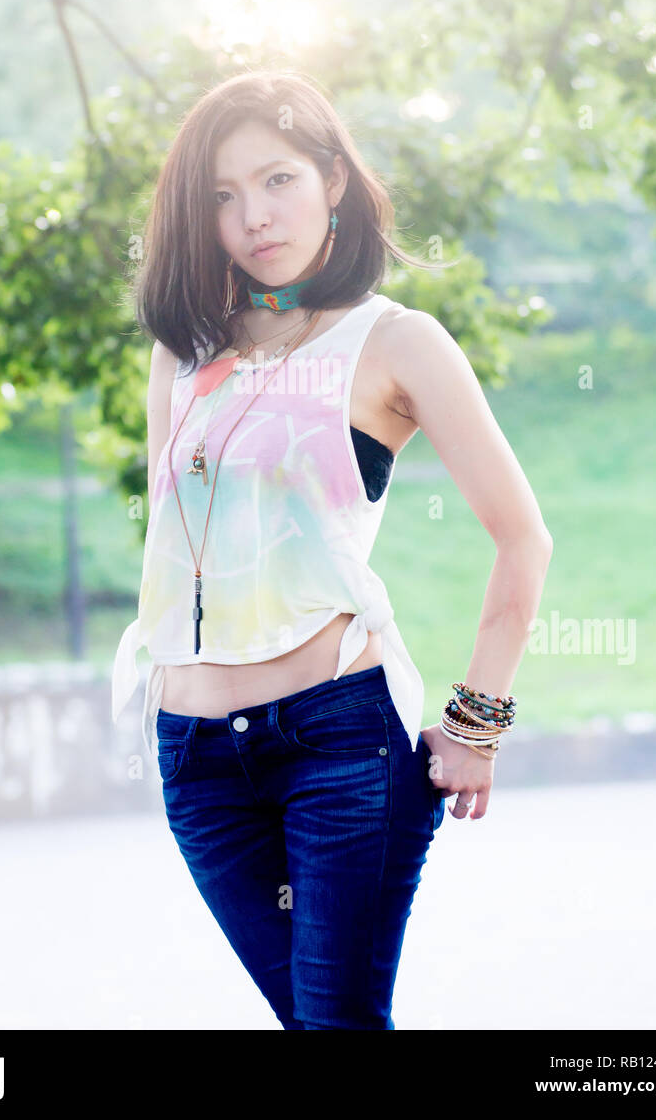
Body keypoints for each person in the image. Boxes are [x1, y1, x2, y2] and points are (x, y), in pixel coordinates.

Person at [111, 69, 553, 1030]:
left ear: (333, 183)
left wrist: (475, 725)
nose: (254, 218)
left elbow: (523, 537)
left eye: (277, 181)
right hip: (195, 757)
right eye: (222, 197)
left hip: (337, 741)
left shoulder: (396, 341)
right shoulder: (181, 351)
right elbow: (174, 540)